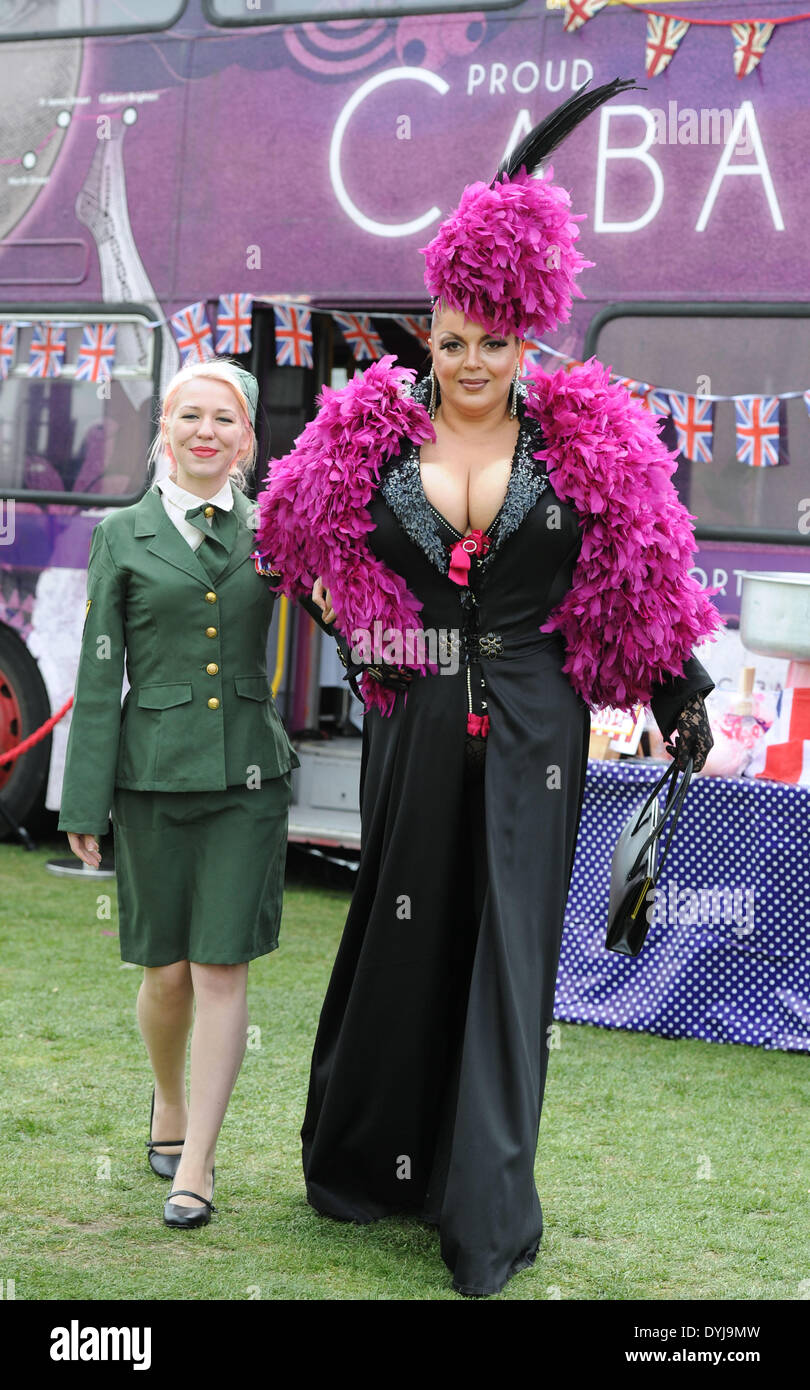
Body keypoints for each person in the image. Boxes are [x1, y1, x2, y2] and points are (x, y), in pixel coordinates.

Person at [253, 79, 721, 1296]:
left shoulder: (585, 436)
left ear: (530, 335)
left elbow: (643, 575)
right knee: (401, 937)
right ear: (429, 328)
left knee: (509, 952)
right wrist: (366, 635)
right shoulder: (367, 430)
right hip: (415, 721)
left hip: (535, 725)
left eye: (493, 341)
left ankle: (483, 1205)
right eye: (450, 338)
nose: (468, 362)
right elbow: (292, 542)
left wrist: (681, 689)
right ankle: (373, 1168)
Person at [58, 358, 300, 1229]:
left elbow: (351, 598)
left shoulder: (276, 531)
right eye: (190, 416)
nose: (207, 431)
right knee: (166, 975)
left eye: (225, 420)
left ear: (246, 441)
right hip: (151, 778)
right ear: (165, 431)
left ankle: (196, 1162)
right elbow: (97, 677)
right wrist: (82, 805)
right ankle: (165, 1098)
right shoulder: (122, 533)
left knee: (221, 967)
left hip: (248, 782)